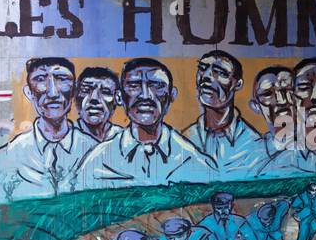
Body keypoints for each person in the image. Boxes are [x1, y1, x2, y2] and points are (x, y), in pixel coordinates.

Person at [78, 58, 216, 188]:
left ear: (172, 95)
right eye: (133, 86)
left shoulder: (193, 160)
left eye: (157, 86)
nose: (145, 95)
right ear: (119, 97)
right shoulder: (98, 162)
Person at [0, 57, 96, 203]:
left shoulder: (95, 151)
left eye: (62, 79)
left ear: (74, 91)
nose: (53, 92)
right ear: (29, 93)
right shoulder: (2, 159)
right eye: (40, 79)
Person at [185, 50, 268, 175]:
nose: (206, 76)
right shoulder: (185, 139)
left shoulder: (253, 143)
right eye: (202, 68)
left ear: (237, 84)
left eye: (221, 73)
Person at [247, 64, 295, 157]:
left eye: (289, 90)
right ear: (256, 106)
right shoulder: (253, 154)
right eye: (268, 93)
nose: (282, 100)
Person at [73, 66, 120, 143]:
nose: (94, 98)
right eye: (86, 90)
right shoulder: (67, 138)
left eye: (105, 92)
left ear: (118, 98)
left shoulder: (123, 138)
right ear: (75, 96)